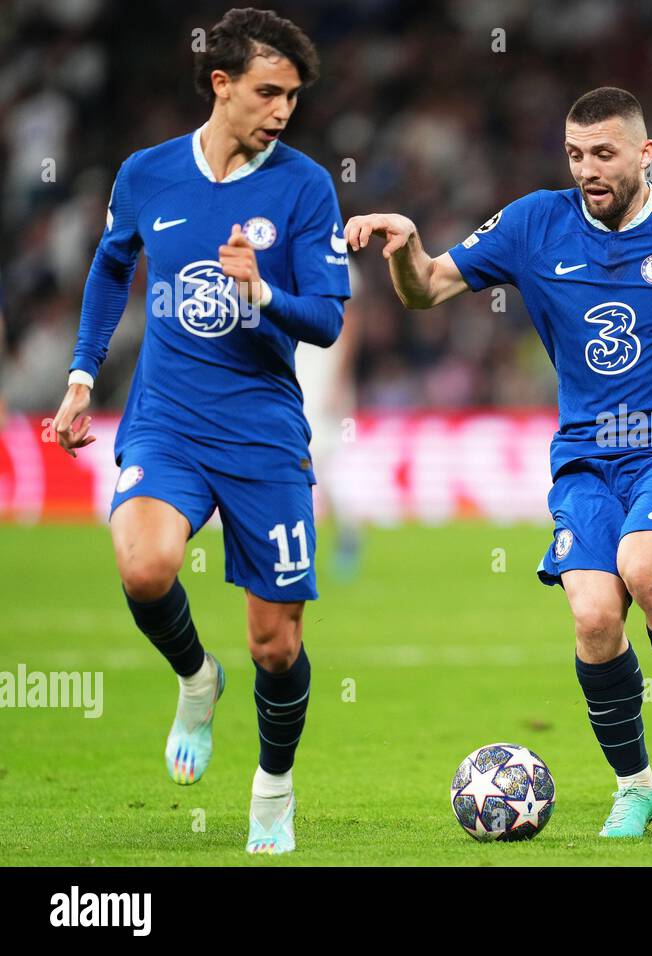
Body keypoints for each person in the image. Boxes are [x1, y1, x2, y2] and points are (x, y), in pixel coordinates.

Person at [346, 86, 652, 838]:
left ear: (645, 154)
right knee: (592, 615)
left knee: (645, 571)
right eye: (576, 154)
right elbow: (428, 290)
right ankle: (636, 786)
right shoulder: (532, 224)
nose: (588, 169)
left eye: (604, 153)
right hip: (586, 454)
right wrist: (407, 248)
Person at [52, 7, 351, 854]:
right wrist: (81, 377)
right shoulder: (148, 175)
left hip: (261, 431)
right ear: (221, 85)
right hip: (168, 420)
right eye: (268, 92)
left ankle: (273, 790)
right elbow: (112, 267)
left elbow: (325, 320)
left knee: (277, 645)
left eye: (293, 95)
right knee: (145, 567)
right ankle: (194, 677)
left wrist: (263, 295)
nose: (283, 110)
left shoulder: (303, 187)